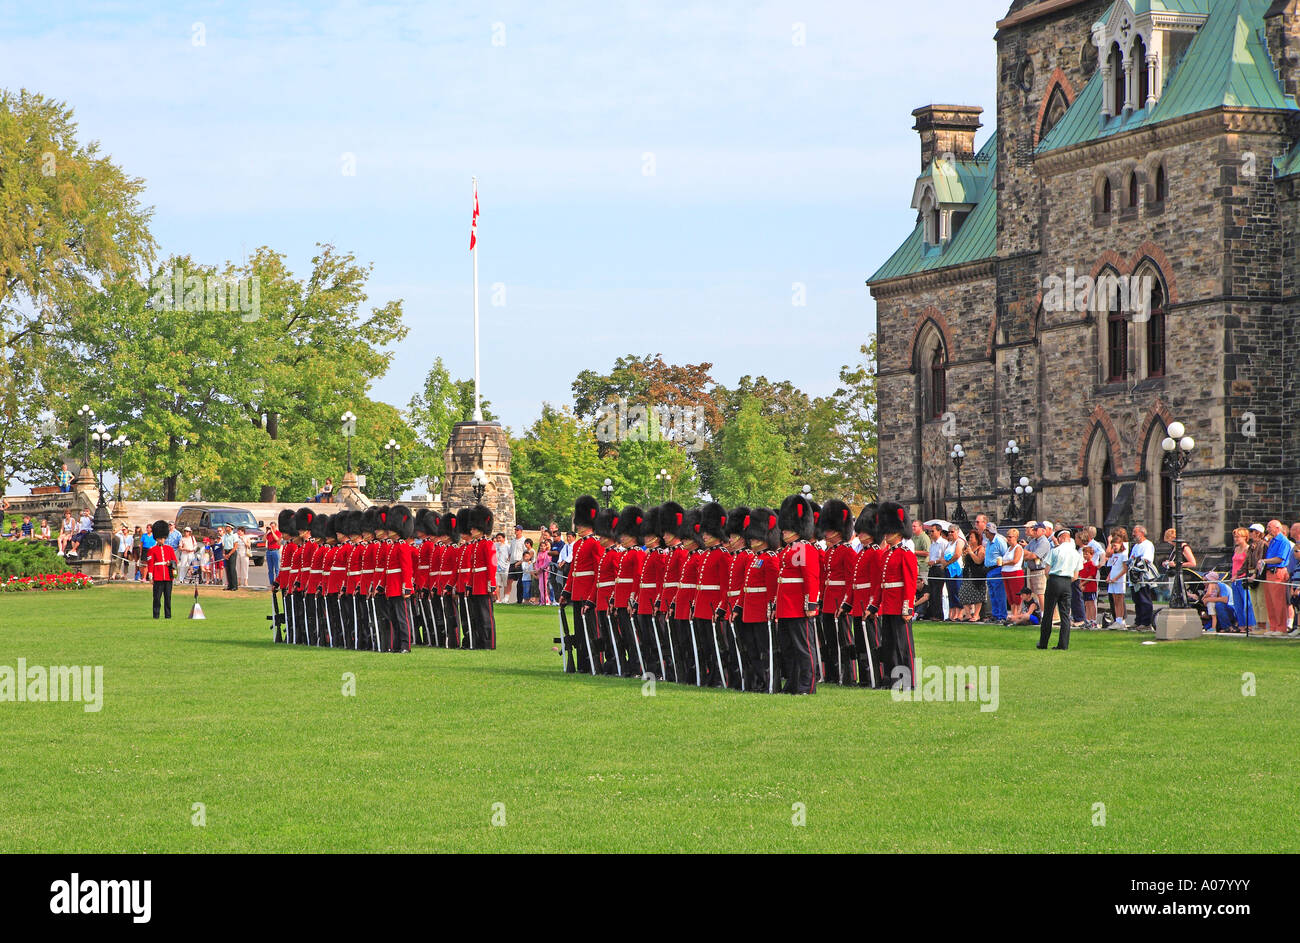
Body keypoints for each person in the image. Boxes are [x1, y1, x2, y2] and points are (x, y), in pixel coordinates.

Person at [867, 502, 919, 690]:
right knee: (888, 645)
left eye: (889, 531)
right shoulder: (886, 554)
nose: (886, 534)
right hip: (888, 605)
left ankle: (907, 681)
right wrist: (874, 606)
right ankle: (892, 679)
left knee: (902, 646)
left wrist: (907, 608)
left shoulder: (906, 554)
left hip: (899, 605)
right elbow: (882, 584)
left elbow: (910, 584)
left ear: (898, 531)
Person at [775, 494, 820, 694]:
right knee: (789, 649)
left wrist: (811, 604)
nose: (783, 531)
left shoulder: (803, 548)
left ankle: (806, 685)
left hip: (798, 607)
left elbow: (811, 578)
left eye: (787, 527)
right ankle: (792, 683)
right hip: (786, 606)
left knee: (804, 648)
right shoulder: (788, 550)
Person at [1037, 528, 1081, 650]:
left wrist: (1052, 580)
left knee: (1048, 613)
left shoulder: (1055, 551)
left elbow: (1047, 571)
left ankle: (1043, 642)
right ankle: (1063, 644)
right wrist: (1066, 581)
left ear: (1061, 538)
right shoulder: (1076, 554)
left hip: (1054, 580)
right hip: (1067, 582)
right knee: (1065, 615)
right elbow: (1076, 576)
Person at [1261, 519, 1293, 635]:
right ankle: (1273, 626)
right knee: (1270, 601)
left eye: (1270, 527)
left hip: (1278, 572)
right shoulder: (1273, 541)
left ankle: (1281, 627)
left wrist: (1264, 560)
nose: (1267, 529)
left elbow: (1280, 558)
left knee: (1278, 601)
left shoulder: (1283, 541)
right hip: (1269, 573)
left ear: (1277, 528)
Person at [145, 520, 178, 619]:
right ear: (157, 538)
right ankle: (156, 615)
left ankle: (168, 615)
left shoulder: (170, 549)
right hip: (158, 576)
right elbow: (150, 564)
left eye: (163, 538)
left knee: (168, 598)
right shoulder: (152, 550)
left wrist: (170, 563)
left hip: (168, 576)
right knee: (157, 598)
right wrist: (151, 576)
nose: (162, 540)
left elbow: (175, 561)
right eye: (160, 538)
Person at [981, 516, 1009, 622]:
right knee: (992, 594)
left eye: (987, 531)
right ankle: (995, 614)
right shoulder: (988, 542)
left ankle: (1002, 615)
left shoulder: (999, 541)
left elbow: (1004, 554)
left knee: (999, 593)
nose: (986, 533)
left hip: (997, 569)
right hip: (989, 570)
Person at [1129, 525, 1156, 630]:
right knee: (1137, 599)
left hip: (1142, 576)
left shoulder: (1148, 545)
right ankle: (1138, 620)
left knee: (1144, 598)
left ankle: (1146, 622)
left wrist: (1136, 562)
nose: (1133, 534)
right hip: (1134, 576)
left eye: (1135, 532)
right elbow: (1132, 558)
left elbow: (1146, 559)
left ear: (1142, 533)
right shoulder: (1136, 546)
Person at [1023, 521, 1052, 611]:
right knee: (1033, 593)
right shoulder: (1033, 541)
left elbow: (1034, 556)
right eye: (1034, 529)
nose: (1034, 531)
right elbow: (1023, 552)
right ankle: (1037, 612)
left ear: (1043, 531)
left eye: (1036, 529)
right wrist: (1029, 554)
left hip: (1040, 571)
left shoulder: (1044, 542)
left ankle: (1044, 613)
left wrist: (1029, 554)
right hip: (1032, 570)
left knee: (1040, 593)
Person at [959, 528, 986, 621]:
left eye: (971, 537)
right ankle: (968, 614)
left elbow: (978, 561)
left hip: (977, 574)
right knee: (963, 593)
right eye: (969, 537)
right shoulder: (968, 548)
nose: (970, 539)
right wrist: (965, 553)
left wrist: (971, 552)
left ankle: (976, 614)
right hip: (967, 574)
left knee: (977, 594)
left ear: (977, 539)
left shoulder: (981, 548)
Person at [1106, 529, 1129, 629]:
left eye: (1115, 545)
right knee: (1115, 600)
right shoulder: (1114, 555)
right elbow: (1113, 567)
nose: (1114, 547)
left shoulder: (1123, 555)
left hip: (1119, 580)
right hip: (1112, 580)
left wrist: (1115, 578)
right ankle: (1117, 619)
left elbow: (1125, 569)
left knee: (1120, 600)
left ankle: (1121, 620)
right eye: (1113, 545)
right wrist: (1109, 577)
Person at [1000, 527, 1025, 610]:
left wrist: (1004, 563)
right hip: (1006, 573)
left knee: (1016, 594)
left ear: (1016, 537)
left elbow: (1015, 560)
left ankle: (1017, 613)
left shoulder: (1018, 548)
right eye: (1008, 537)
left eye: (1010, 537)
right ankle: (1013, 613)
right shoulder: (1008, 549)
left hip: (1014, 573)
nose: (1008, 539)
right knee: (1010, 595)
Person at [1079, 544, 1099, 629]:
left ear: (1091, 554)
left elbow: (1091, 576)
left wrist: (1083, 583)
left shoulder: (1092, 565)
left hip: (1091, 587)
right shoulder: (1083, 565)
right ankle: (1087, 620)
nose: (1085, 555)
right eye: (1084, 554)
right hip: (1085, 588)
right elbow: (1080, 576)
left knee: (1091, 603)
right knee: (1086, 603)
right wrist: (1081, 584)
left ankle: (1093, 620)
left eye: (1087, 554)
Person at [265, 516, 282, 587]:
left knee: (277, 568)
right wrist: (266, 532)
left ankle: (277, 582)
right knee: (270, 569)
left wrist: (272, 531)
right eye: (271, 527)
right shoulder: (269, 534)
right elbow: (263, 539)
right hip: (269, 551)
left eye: (273, 527)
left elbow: (277, 539)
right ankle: (271, 583)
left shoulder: (278, 533)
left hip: (275, 551)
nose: (272, 528)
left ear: (275, 527)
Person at [221, 525, 239, 591]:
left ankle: (234, 586)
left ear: (231, 528)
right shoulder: (225, 536)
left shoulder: (234, 535)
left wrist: (229, 554)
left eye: (227, 527)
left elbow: (235, 546)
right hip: (226, 551)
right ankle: (230, 585)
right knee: (227, 569)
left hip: (232, 552)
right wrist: (224, 554)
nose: (226, 528)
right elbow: (224, 545)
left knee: (232, 569)